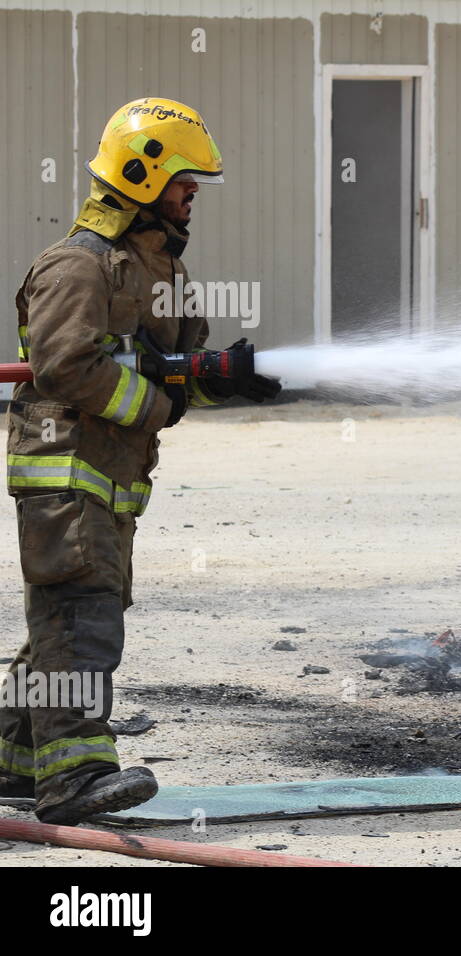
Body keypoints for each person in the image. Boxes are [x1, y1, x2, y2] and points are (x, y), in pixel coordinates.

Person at [0, 97, 279, 824]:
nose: (193, 195)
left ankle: (13, 758)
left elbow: (168, 372)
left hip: (113, 480)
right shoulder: (76, 266)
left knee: (67, 621)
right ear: (142, 174)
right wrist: (162, 403)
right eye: (186, 180)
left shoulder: (156, 271)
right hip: (64, 474)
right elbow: (66, 367)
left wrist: (218, 379)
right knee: (81, 620)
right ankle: (75, 777)